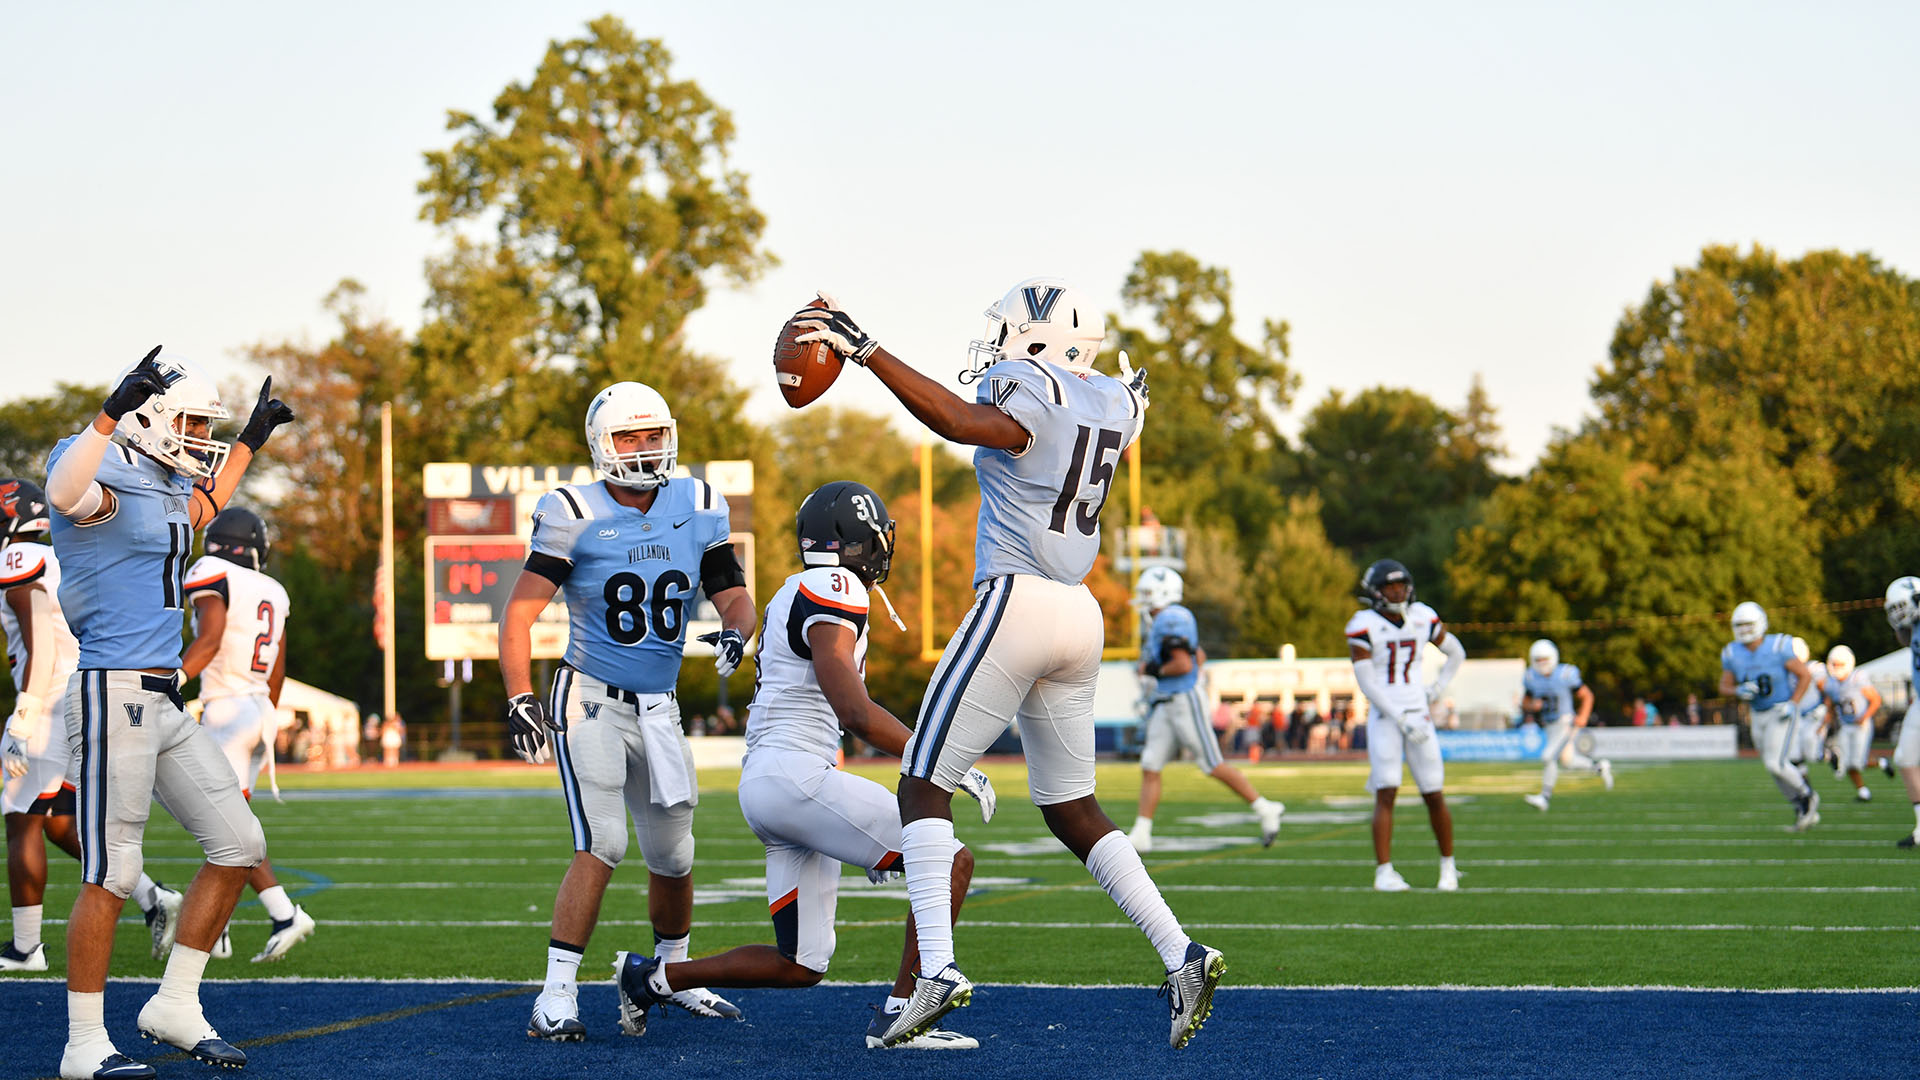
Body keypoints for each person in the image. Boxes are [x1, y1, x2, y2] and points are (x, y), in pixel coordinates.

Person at [789, 281, 1222, 1049]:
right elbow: (1108, 418)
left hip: (1017, 599)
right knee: (1072, 807)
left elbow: (960, 421)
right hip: (1079, 612)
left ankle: (934, 972)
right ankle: (1181, 954)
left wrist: (867, 352)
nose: (996, 347)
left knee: (922, 785)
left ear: (1045, 342)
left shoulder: (1037, 388)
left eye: (1011, 333)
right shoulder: (1113, 401)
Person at [615, 481, 994, 1049]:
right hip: (795, 777)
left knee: (801, 963)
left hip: (776, 782)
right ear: (855, 541)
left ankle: (651, 980)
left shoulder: (799, 588)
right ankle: (903, 1012)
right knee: (948, 859)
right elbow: (854, 711)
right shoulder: (836, 586)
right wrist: (941, 759)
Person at [44, 348, 293, 1078]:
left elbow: (201, 510)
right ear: (148, 417)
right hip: (111, 687)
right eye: (191, 422)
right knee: (114, 871)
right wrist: (107, 413)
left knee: (239, 843)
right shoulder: (97, 463)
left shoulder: (162, 481)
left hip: (164, 695)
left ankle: (175, 1005)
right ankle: (83, 1045)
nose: (198, 437)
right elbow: (64, 494)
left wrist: (248, 443)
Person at [497, 381, 758, 1042]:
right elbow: (519, 613)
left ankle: (672, 975)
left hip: (660, 705)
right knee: (605, 841)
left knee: (674, 852)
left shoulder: (699, 503)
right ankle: (556, 994)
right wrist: (520, 696)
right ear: (601, 444)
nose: (643, 449)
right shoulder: (572, 511)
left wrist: (737, 630)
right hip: (590, 698)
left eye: (653, 435)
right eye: (629, 437)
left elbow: (732, 592)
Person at [1, 480, 184, 974]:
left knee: (19, 816)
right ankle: (153, 896)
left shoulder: (19, 559)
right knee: (59, 820)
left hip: (49, 701)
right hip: (84, 692)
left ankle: (25, 948)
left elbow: (40, 643)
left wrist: (24, 712)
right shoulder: (62, 557)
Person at [179, 507, 316, 962]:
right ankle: (219, 926)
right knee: (226, 826)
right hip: (259, 709)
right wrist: (267, 716)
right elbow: (277, 666)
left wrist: (175, 680)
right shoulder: (272, 589)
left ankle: (282, 914)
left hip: (228, 710)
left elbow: (211, 638)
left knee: (224, 828)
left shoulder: (211, 571)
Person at [1125, 567, 1283, 853]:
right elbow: (1199, 656)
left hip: (1184, 700)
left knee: (1212, 764)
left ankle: (1265, 808)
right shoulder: (1170, 619)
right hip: (1166, 702)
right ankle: (1142, 832)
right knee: (1150, 765)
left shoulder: (1171, 618)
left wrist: (1151, 670)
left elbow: (1184, 664)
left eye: (1147, 593)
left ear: (1162, 592)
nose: (1144, 599)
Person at [1345, 559, 1465, 892]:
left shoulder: (1423, 616)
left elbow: (1456, 653)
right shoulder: (1363, 624)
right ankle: (1384, 872)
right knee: (1386, 791)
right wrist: (1399, 717)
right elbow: (1367, 683)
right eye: (1390, 586)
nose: (1397, 592)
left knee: (1434, 792)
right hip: (1386, 716)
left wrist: (1436, 690)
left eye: (1401, 585)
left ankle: (1448, 867)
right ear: (1375, 591)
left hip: (1418, 712)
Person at [1718, 602, 1818, 831]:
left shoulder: (1779, 646)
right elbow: (1724, 685)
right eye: (1740, 625)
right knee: (1771, 766)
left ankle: (1808, 796)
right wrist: (1737, 690)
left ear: (1760, 623)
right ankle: (1799, 806)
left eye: (1748, 624)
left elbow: (1804, 675)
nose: (1744, 629)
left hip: (1780, 711)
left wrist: (1793, 703)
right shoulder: (1732, 652)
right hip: (1757, 713)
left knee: (1776, 763)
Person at [1520, 639, 1613, 812]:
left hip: (1565, 722)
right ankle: (1599, 767)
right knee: (1568, 761)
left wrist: (1583, 716)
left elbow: (1587, 695)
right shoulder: (1531, 677)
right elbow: (1525, 702)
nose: (1542, 663)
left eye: (1544, 659)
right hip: (1549, 725)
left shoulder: (1565, 674)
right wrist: (1533, 705)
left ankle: (1544, 797)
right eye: (1538, 660)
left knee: (1548, 757)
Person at [1878, 577, 1920, 848]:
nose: (1897, 614)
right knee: (1905, 758)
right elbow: (1905, 640)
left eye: (1901, 607)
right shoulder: (1913, 626)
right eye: (1893, 609)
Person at [1817, 645, 1884, 802]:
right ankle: (1863, 792)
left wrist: (1864, 717)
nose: (1837, 667)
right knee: (1847, 763)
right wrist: (1825, 721)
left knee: (1858, 762)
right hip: (1846, 725)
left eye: (1840, 664)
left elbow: (1876, 700)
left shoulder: (1857, 678)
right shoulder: (1832, 683)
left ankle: (1880, 762)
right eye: (1834, 664)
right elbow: (1830, 703)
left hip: (1861, 726)